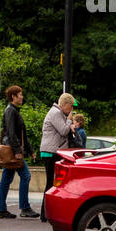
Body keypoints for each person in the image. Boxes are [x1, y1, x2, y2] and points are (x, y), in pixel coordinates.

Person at [0, 85, 40, 219]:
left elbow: (21, 135)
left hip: (13, 150)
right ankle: (24, 208)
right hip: (13, 151)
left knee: (6, 178)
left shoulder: (14, 110)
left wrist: (30, 150)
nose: (22, 97)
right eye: (20, 94)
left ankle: (1, 209)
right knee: (25, 176)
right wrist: (17, 151)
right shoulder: (11, 111)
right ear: (13, 97)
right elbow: (11, 132)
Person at [38, 92, 76, 222]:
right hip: (51, 152)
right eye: (70, 107)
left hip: (52, 151)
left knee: (52, 183)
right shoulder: (55, 113)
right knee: (51, 183)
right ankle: (45, 214)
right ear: (64, 104)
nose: (71, 110)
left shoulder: (58, 113)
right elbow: (64, 130)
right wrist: (70, 120)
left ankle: (46, 213)